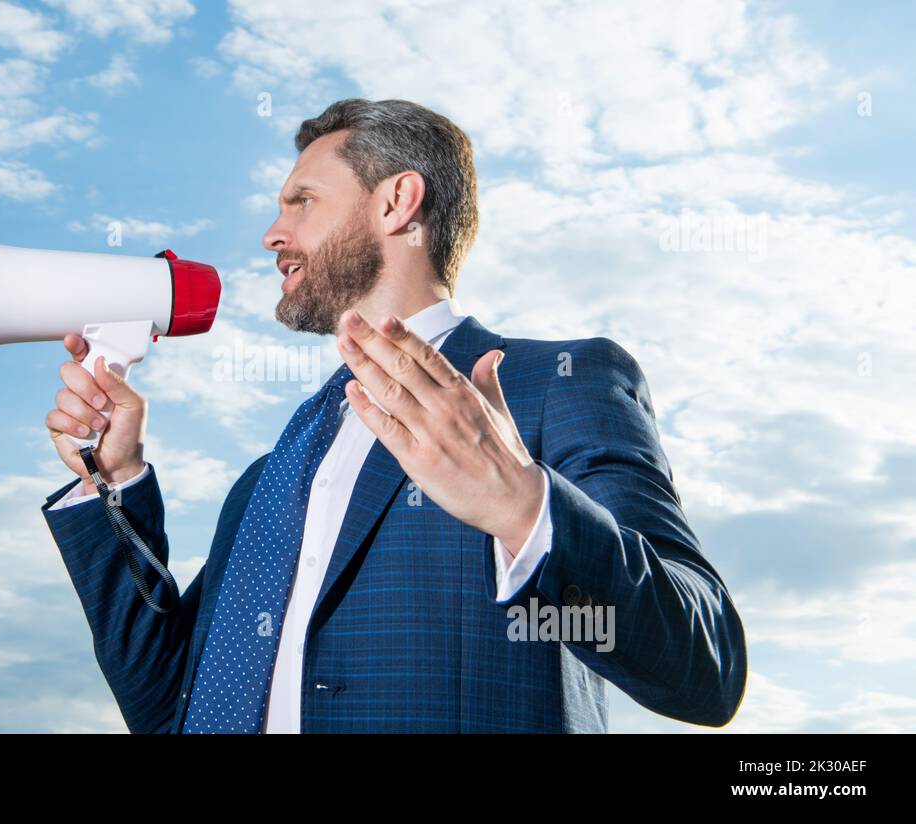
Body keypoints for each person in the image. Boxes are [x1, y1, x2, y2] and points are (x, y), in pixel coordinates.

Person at [41, 98, 747, 733]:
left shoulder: (554, 386)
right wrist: (116, 478)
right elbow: (168, 706)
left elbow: (705, 668)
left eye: (301, 202)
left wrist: (525, 507)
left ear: (396, 203)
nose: (271, 235)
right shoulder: (270, 478)